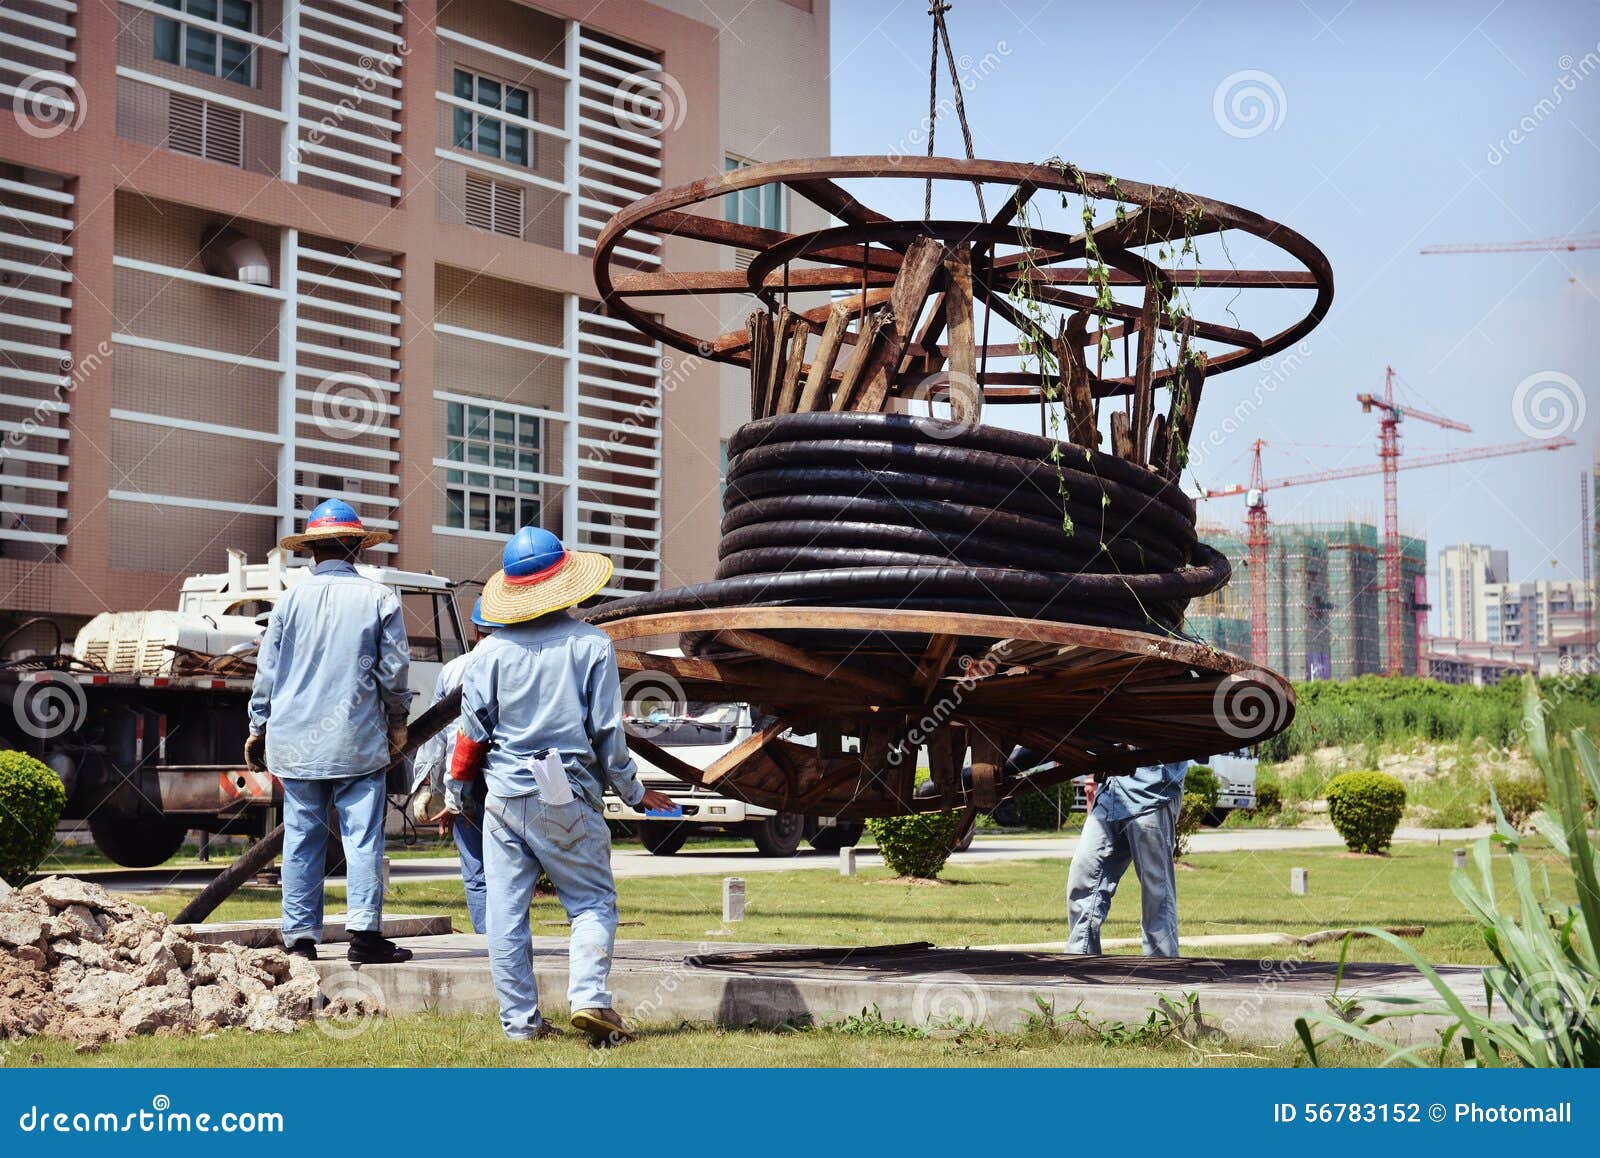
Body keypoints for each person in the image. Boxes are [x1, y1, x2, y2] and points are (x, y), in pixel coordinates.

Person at [448, 527, 675, 1043]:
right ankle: (590, 999)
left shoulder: (486, 655)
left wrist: (459, 794)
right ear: (566, 584)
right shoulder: (591, 646)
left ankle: (520, 1025)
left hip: (504, 796)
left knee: (506, 914)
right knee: (592, 901)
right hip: (566, 794)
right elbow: (607, 735)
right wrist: (635, 793)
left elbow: (471, 735)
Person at [246, 499, 414, 965]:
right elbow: (394, 671)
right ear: (357, 548)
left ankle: (299, 940)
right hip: (357, 741)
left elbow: (268, 674)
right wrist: (397, 722)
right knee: (362, 838)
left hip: (296, 743)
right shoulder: (380, 598)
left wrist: (258, 726)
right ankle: (364, 932)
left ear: (312, 551)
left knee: (302, 836)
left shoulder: (288, 602)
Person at [411, 597, 499, 934]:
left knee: (476, 869)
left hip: (464, 779)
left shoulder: (453, 669)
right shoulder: (524, 661)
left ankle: (488, 941)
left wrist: (435, 790)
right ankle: (511, 941)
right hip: (509, 778)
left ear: (476, 629)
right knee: (511, 867)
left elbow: (435, 734)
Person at [1064, 759, 1191, 958]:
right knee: (1083, 872)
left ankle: (1162, 970)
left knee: (1156, 892)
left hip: (1153, 793)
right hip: (1111, 792)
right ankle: (1080, 958)